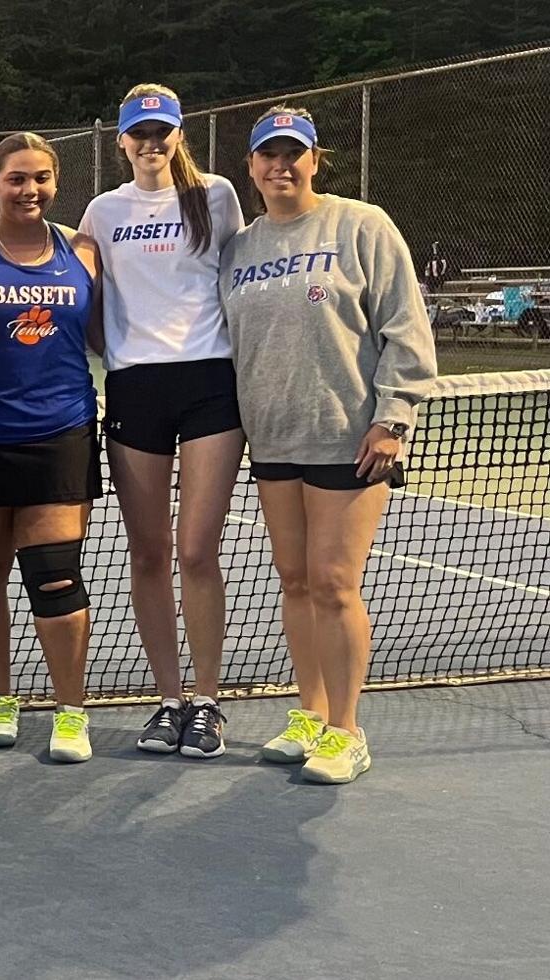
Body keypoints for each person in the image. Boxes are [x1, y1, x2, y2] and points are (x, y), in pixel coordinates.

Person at [220, 106, 436, 784]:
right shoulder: (239, 248)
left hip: (350, 439)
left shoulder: (361, 225)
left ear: (316, 160)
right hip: (274, 440)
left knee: (337, 584)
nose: (281, 166)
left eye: (294, 153)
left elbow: (406, 327)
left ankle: (347, 730)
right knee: (296, 580)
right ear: (250, 166)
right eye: (267, 155)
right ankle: (309, 713)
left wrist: (394, 417)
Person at [78, 85, 247, 758]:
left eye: (162, 132)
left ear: (179, 135)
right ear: (121, 142)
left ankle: (207, 702)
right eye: (139, 134)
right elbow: (89, 301)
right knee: (147, 553)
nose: (151, 144)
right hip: (134, 388)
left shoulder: (218, 196)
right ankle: (168, 699)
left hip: (211, 382)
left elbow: (237, 281)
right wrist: (117, 350)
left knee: (196, 549)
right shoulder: (101, 211)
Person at [0, 134, 102, 759]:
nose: (28, 190)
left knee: (54, 576)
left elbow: (101, 335)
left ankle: (71, 711)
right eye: (15, 179)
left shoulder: (81, 252)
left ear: (54, 182)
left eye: (40, 178)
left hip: (61, 431)